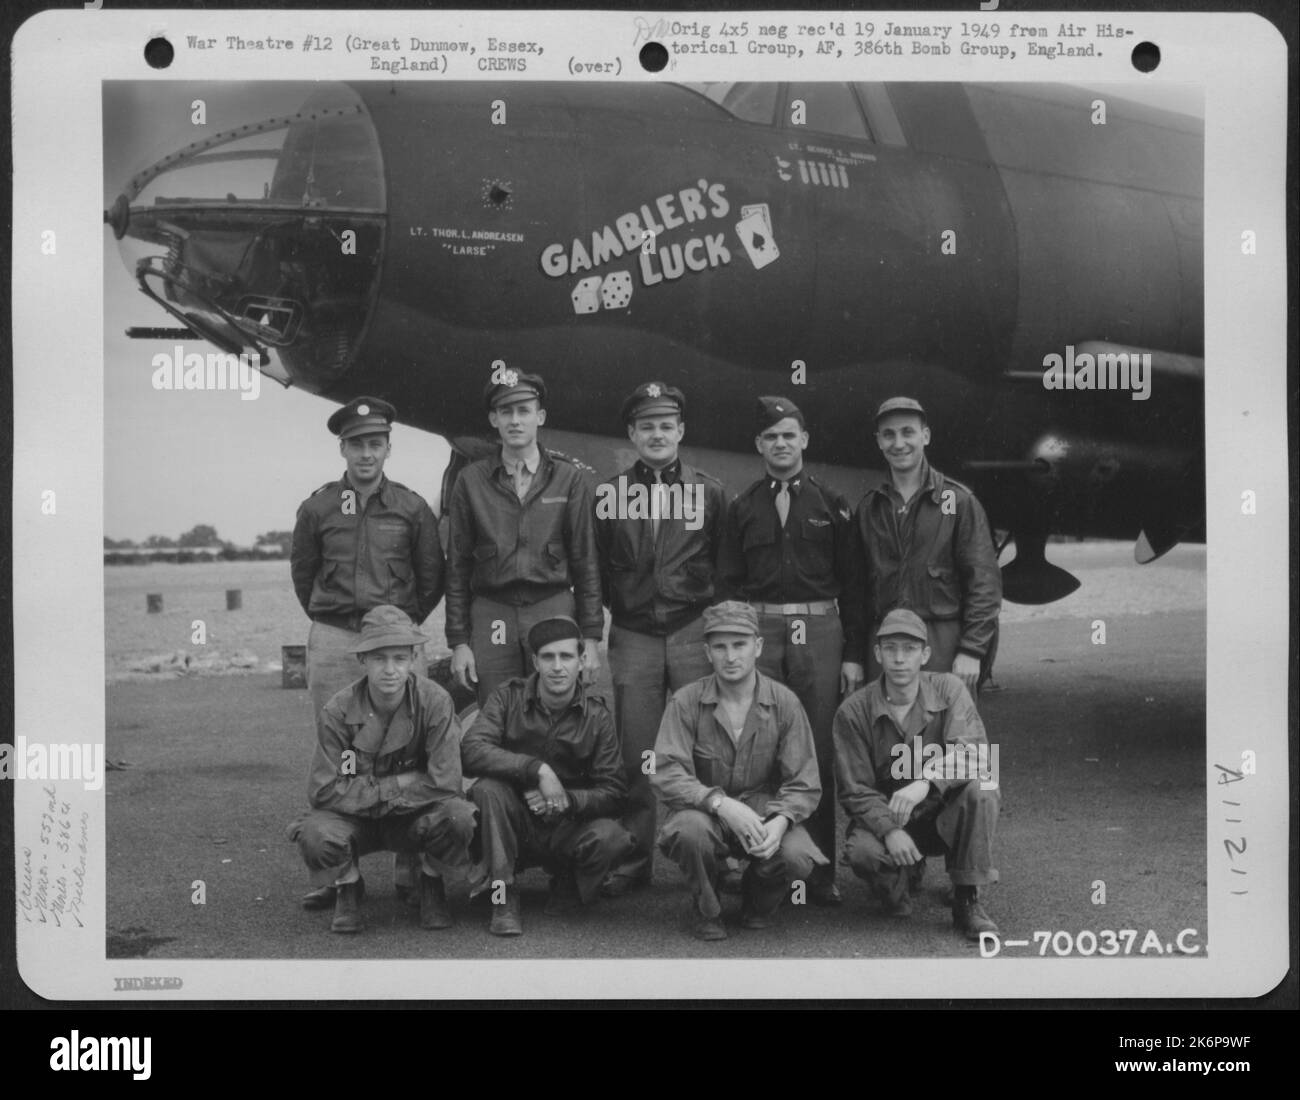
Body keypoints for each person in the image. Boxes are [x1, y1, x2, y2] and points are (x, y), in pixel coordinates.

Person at [289, 396, 446, 910]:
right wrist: (336, 622)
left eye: (375, 444)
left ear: (387, 448)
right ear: (342, 447)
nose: (365, 453)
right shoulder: (317, 508)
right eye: (356, 444)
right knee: (339, 752)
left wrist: (398, 629)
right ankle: (337, 870)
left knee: (410, 745)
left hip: (396, 639)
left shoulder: (411, 507)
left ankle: (412, 862)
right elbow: (303, 576)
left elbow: (431, 579)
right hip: (335, 637)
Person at [716, 395, 859, 906]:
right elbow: (730, 582)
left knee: (815, 747)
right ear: (759, 445)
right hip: (764, 630)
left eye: (788, 435)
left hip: (818, 629)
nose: (780, 443)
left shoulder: (833, 504)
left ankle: (818, 869)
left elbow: (855, 586)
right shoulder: (744, 506)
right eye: (770, 437)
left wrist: (853, 653)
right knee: (758, 743)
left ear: (804, 440)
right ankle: (757, 861)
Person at [594, 381, 726, 898]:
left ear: (681, 431)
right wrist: (620, 606)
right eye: (646, 426)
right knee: (638, 750)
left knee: (706, 744)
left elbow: (725, 567)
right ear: (632, 433)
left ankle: (713, 850)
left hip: (692, 629)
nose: (656, 434)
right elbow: (597, 563)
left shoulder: (710, 492)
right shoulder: (608, 495)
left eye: (665, 425)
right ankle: (636, 857)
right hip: (634, 633)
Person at [287, 606, 476, 934]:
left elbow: (446, 782)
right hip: (357, 819)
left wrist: (366, 789)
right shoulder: (338, 710)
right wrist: (399, 783)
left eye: (400, 658)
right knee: (317, 834)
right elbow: (323, 790)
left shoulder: (434, 702)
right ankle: (348, 883)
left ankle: (431, 881)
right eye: (379, 658)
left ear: (414, 658)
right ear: (362, 660)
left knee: (458, 816)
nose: (390, 670)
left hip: (411, 817)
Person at [652, 601, 826, 941]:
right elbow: (665, 771)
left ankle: (757, 898)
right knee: (688, 831)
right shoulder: (686, 701)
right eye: (720, 647)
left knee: (798, 854)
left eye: (740, 645)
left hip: (762, 809)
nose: (730, 657)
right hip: (704, 811)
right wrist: (720, 804)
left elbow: (805, 781)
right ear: (707, 652)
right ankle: (707, 906)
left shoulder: (784, 702)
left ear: (758, 647)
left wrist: (781, 821)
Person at [461, 617, 633, 936]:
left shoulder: (596, 715)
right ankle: (503, 893)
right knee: (487, 790)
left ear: (581, 661)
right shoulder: (507, 697)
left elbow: (615, 792)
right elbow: (471, 749)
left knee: (613, 837)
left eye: (566, 657)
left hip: (566, 827)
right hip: (511, 822)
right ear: (535, 662)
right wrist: (536, 770)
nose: (557, 667)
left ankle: (568, 881)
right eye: (548, 657)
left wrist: (565, 800)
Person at [833, 608, 999, 940]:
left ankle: (967, 897)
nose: (899, 659)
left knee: (983, 788)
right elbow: (855, 791)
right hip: (890, 819)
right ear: (878, 654)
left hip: (942, 815)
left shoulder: (949, 689)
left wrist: (925, 782)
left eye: (909, 649)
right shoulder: (853, 711)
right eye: (890, 649)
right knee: (868, 861)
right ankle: (905, 869)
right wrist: (891, 830)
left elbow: (978, 755)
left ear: (924, 654)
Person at [446, 370, 603, 705]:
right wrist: (459, 641)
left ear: (540, 416)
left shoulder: (568, 479)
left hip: (552, 605)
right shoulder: (471, 481)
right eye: (506, 412)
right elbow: (457, 565)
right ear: (494, 419)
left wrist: (590, 637)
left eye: (524, 411)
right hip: (493, 611)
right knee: (496, 707)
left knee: (557, 710)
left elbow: (585, 561)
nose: (515, 421)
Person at [845, 396, 1001, 696]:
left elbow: (984, 582)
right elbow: (857, 591)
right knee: (887, 735)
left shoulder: (959, 502)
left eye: (908, 432)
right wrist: (855, 654)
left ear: (925, 436)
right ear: (878, 441)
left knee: (944, 735)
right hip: (885, 642)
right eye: (889, 435)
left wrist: (972, 649)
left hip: (941, 640)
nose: (899, 443)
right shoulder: (869, 508)